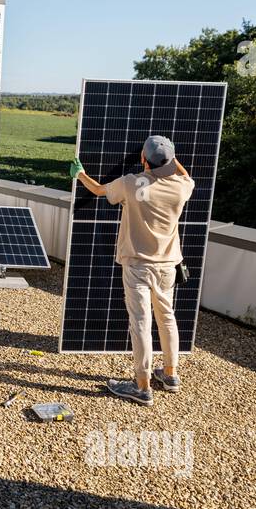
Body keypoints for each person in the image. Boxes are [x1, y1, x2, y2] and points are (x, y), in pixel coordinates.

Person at [71, 135, 193, 406]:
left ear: (143, 160)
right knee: (167, 318)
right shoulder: (182, 187)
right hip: (167, 265)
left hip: (137, 265)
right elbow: (184, 173)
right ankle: (170, 375)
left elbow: (99, 191)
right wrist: (170, 162)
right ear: (171, 161)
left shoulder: (130, 183)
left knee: (140, 323)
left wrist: (80, 174)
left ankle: (142, 386)